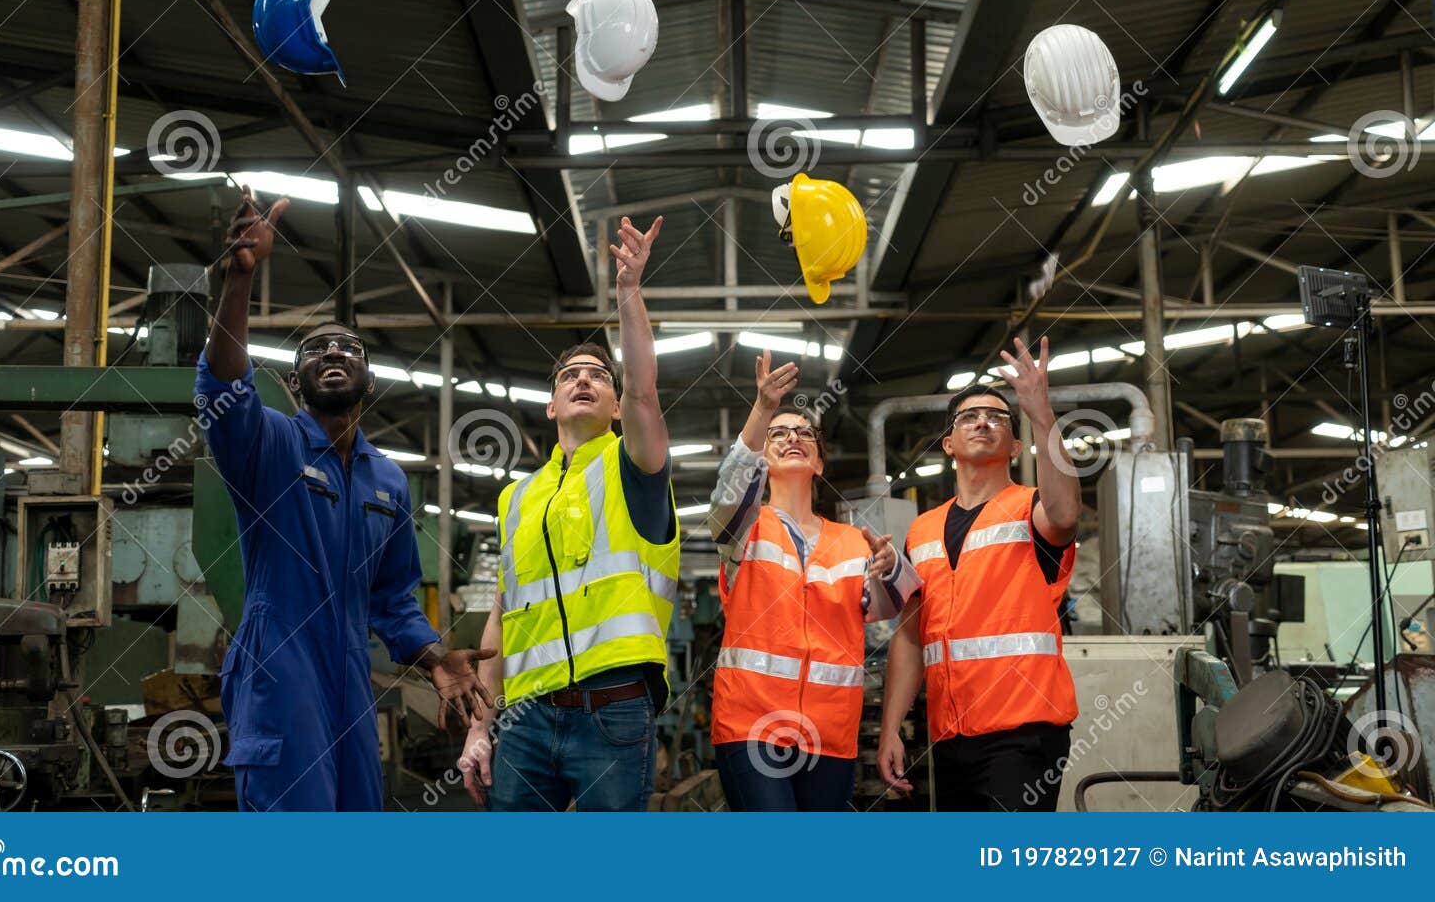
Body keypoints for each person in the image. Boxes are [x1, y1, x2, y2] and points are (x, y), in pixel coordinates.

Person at [198, 188, 492, 811]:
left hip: (353, 681)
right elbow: (224, 383)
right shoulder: (271, 447)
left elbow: (392, 598)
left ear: (369, 380)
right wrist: (238, 281)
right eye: (315, 351)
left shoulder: (387, 480)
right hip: (280, 670)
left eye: (348, 348)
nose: (332, 352)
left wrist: (435, 656)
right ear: (295, 380)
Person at [459, 215, 679, 811]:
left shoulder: (633, 468)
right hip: (527, 722)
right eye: (570, 377)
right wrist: (480, 727)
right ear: (552, 405)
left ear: (613, 403)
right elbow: (501, 620)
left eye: (598, 377)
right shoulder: (517, 498)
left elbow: (645, 392)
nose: (585, 380)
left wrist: (629, 295)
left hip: (613, 711)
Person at [706, 350, 920, 810]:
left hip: (831, 735)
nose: (792, 439)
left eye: (804, 434)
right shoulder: (744, 530)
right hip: (751, 726)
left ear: (820, 463)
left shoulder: (852, 540)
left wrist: (891, 567)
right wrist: (762, 408)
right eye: (778, 435)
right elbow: (726, 498)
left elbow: (895, 607)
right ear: (762, 458)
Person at [877, 337, 1082, 811]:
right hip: (949, 735)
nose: (984, 421)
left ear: (1014, 446)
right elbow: (910, 636)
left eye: (998, 417)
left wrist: (1040, 412)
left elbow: (1067, 514)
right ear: (948, 444)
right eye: (969, 416)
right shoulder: (922, 530)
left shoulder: (1031, 509)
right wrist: (891, 729)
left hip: (1025, 732)